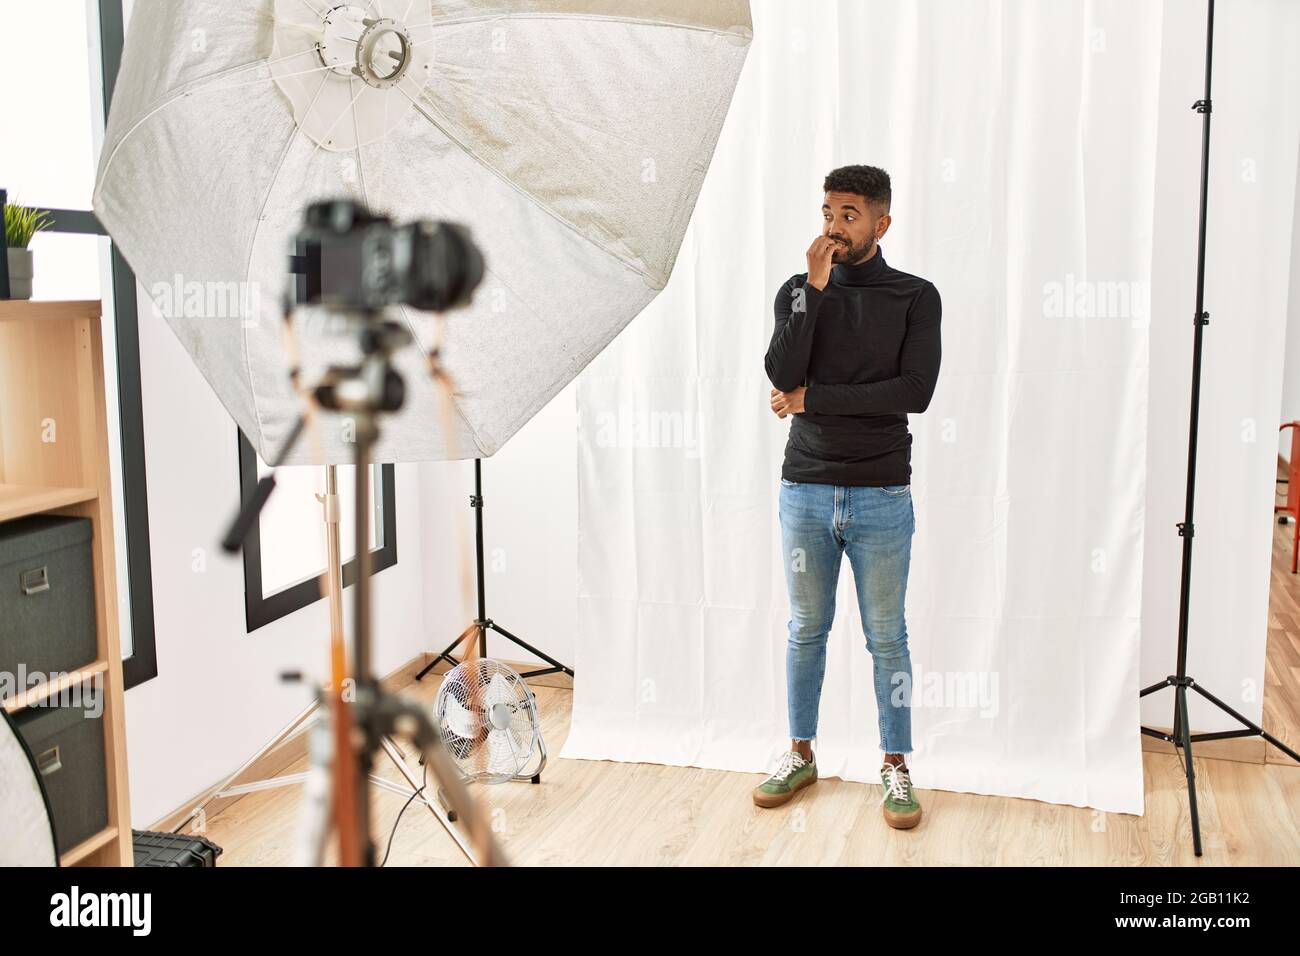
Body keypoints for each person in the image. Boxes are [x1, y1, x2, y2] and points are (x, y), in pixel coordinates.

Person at [755, 164, 941, 829]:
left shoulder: (915, 297)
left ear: (881, 223)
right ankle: (800, 752)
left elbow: (913, 392)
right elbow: (781, 371)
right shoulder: (800, 291)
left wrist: (814, 399)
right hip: (804, 488)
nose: (834, 226)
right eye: (828, 212)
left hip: (881, 493)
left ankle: (895, 765)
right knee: (806, 629)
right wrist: (812, 287)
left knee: (886, 635)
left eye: (850, 214)